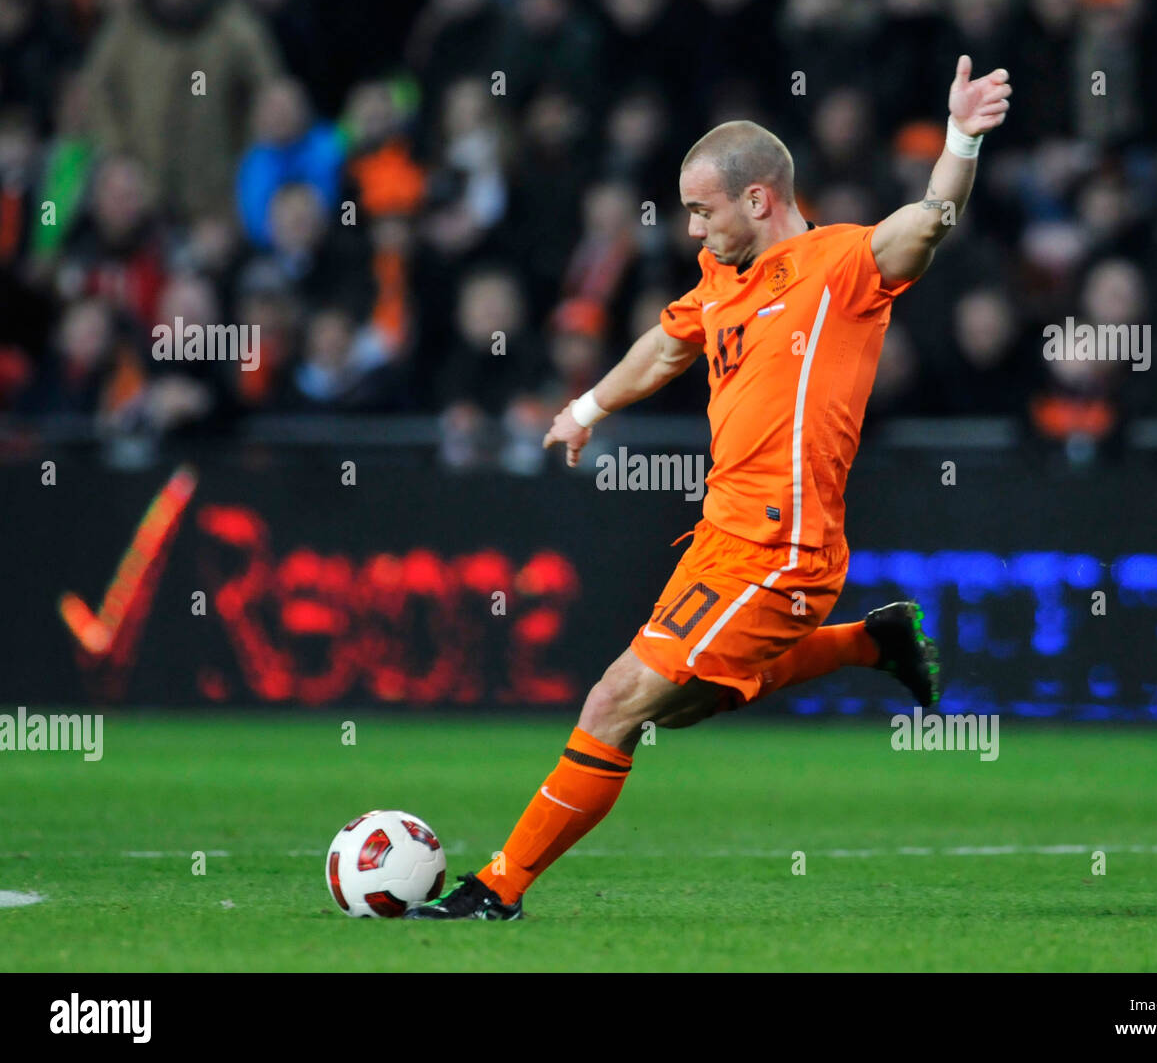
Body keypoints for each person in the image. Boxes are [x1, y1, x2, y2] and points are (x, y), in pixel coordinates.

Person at [406, 55, 1012, 921]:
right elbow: (663, 348)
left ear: (757, 199)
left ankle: (496, 889)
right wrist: (585, 407)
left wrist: (960, 138)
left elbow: (925, 225)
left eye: (703, 209)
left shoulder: (837, 267)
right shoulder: (720, 285)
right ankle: (874, 644)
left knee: (615, 700)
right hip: (719, 539)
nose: (693, 230)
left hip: (783, 550)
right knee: (674, 712)